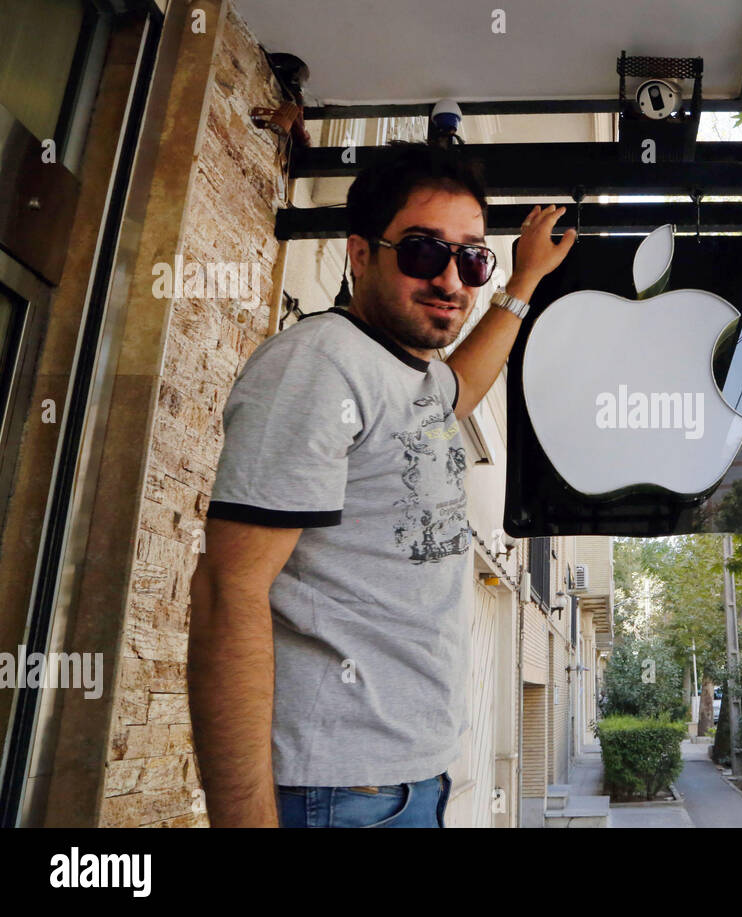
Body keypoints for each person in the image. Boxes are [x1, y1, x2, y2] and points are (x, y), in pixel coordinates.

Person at [187, 144, 576, 827]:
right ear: (360, 254)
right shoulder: (318, 367)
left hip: (408, 783)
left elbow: (466, 383)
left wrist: (524, 280)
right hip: (333, 794)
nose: (452, 279)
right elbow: (228, 591)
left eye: (472, 258)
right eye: (425, 251)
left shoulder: (412, 376)